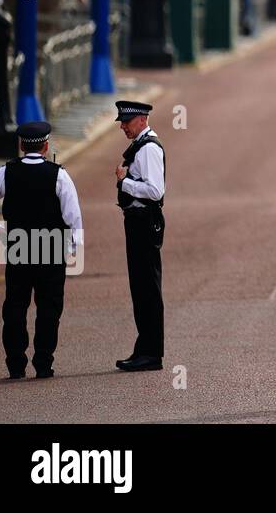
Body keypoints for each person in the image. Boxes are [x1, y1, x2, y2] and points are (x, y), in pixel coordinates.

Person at [0, 122, 82, 379]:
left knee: (15, 307)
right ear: (46, 146)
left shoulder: (7, 173)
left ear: (21, 146)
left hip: (19, 249)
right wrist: (72, 249)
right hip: (51, 250)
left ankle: (16, 364)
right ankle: (43, 363)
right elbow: (73, 217)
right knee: (49, 308)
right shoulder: (59, 175)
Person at [114, 100, 167, 372]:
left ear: (143, 119)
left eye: (127, 121)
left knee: (147, 287)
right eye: (122, 121)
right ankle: (145, 347)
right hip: (137, 222)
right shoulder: (141, 145)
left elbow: (155, 191)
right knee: (141, 287)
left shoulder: (148, 149)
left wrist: (125, 182)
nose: (123, 126)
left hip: (144, 223)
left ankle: (151, 352)